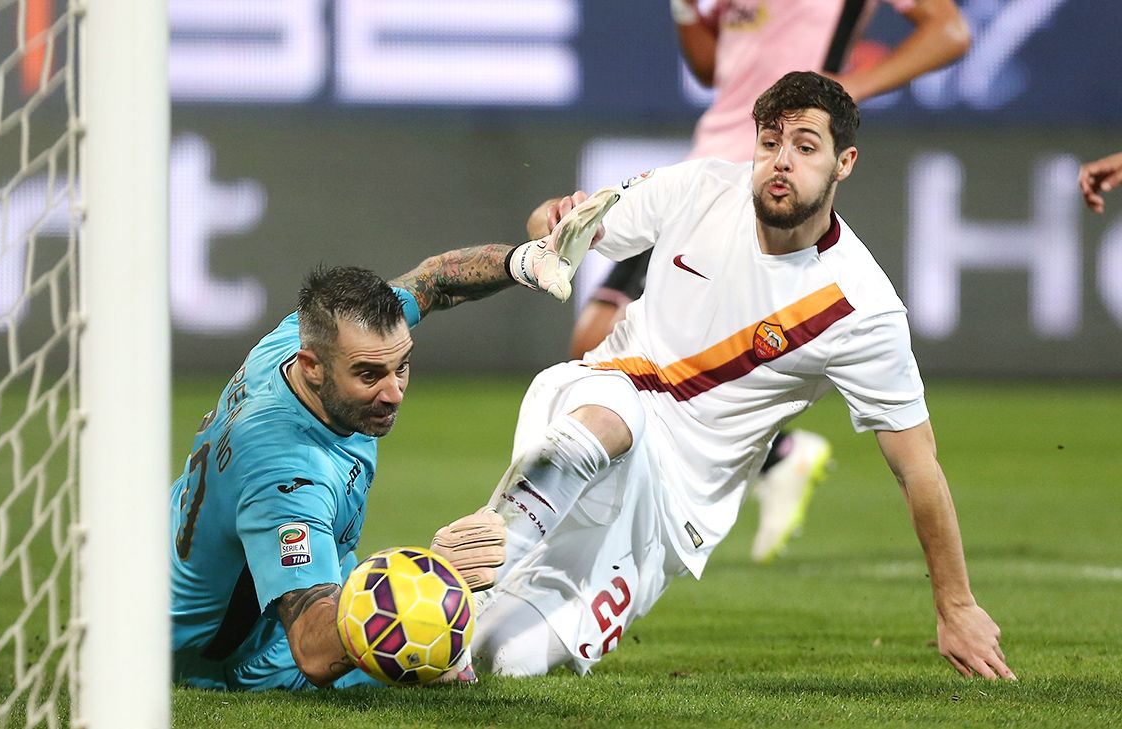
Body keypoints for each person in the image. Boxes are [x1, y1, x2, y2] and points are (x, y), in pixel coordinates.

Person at [473, 71, 1016, 683]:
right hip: (600, 399)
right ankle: (464, 574)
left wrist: (956, 605)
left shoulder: (862, 308)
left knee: (504, 658)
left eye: (805, 147)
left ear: (844, 163)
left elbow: (916, 464)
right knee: (608, 415)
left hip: (673, 510)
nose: (781, 161)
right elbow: (553, 226)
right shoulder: (698, 188)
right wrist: (556, 220)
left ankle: (465, 615)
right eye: (770, 142)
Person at [562, 0, 973, 563]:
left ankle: (702, 492)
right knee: (600, 345)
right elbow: (714, 70)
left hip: (763, 181)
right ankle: (767, 460)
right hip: (714, 170)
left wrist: (851, 88)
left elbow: (950, 31)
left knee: (604, 341)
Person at [169, 195, 616, 691]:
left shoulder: (304, 338)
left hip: (189, 561)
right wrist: (433, 577)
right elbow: (314, 649)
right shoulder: (288, 478)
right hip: (225, 651)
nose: (394, 392)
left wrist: (528, 260)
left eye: (401, 366)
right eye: (369, 375)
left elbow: (436, 279)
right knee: (444, 658)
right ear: (313, 367)